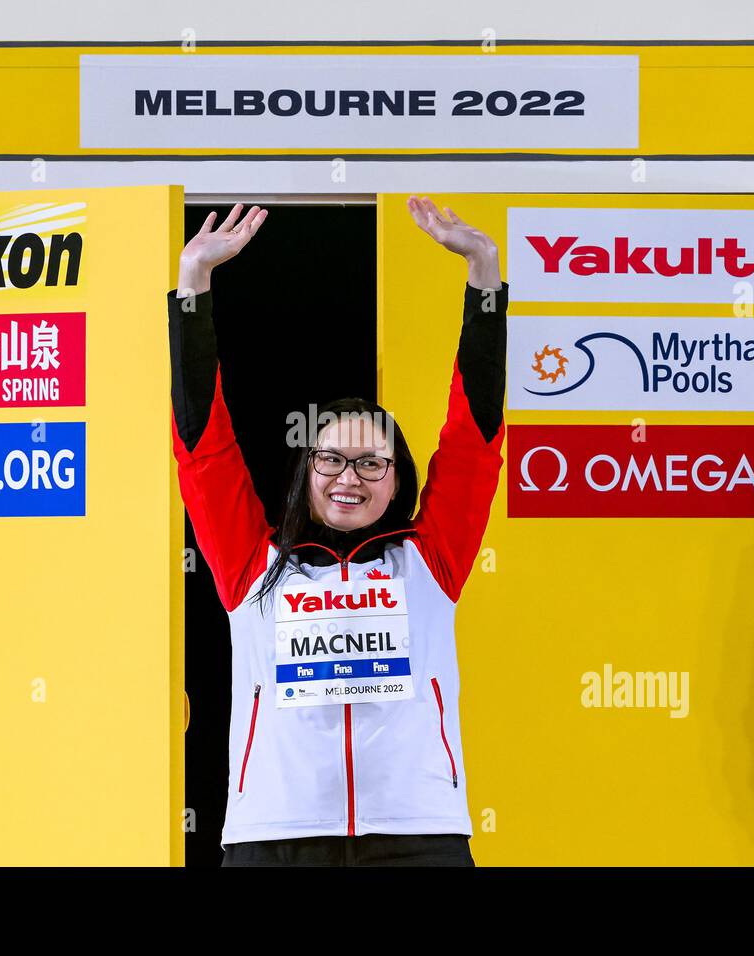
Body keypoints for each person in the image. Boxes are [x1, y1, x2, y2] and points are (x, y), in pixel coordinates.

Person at [168, 198, 507, 867]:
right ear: (306, 471)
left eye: (371, 462)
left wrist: (485, 274)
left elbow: (474, 438)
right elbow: (201, 445)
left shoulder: (430, 559)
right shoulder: (253, 564)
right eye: (331, 459)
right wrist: (192, 287)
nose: (349, 477)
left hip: (418, 833)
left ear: (396, 477)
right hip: (275, 835)